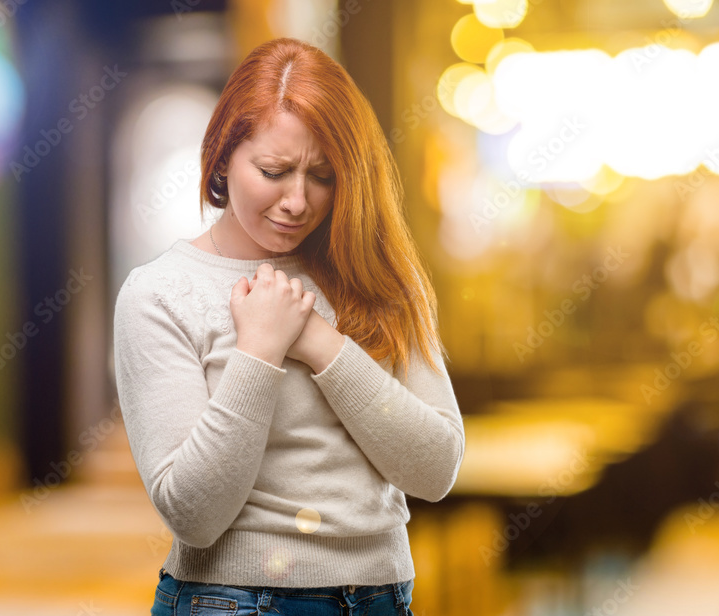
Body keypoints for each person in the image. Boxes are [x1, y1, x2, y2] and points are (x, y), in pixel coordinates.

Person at [112, 37, 465, 616]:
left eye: (322, 176)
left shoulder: (379, 275)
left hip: (381, 596)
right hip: (231, 600)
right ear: (224, 157)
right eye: (273, 171)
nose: (297, 201)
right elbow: (193, 516)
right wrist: (259, 351)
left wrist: (323, 345)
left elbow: (434, 470)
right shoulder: (158, 294)